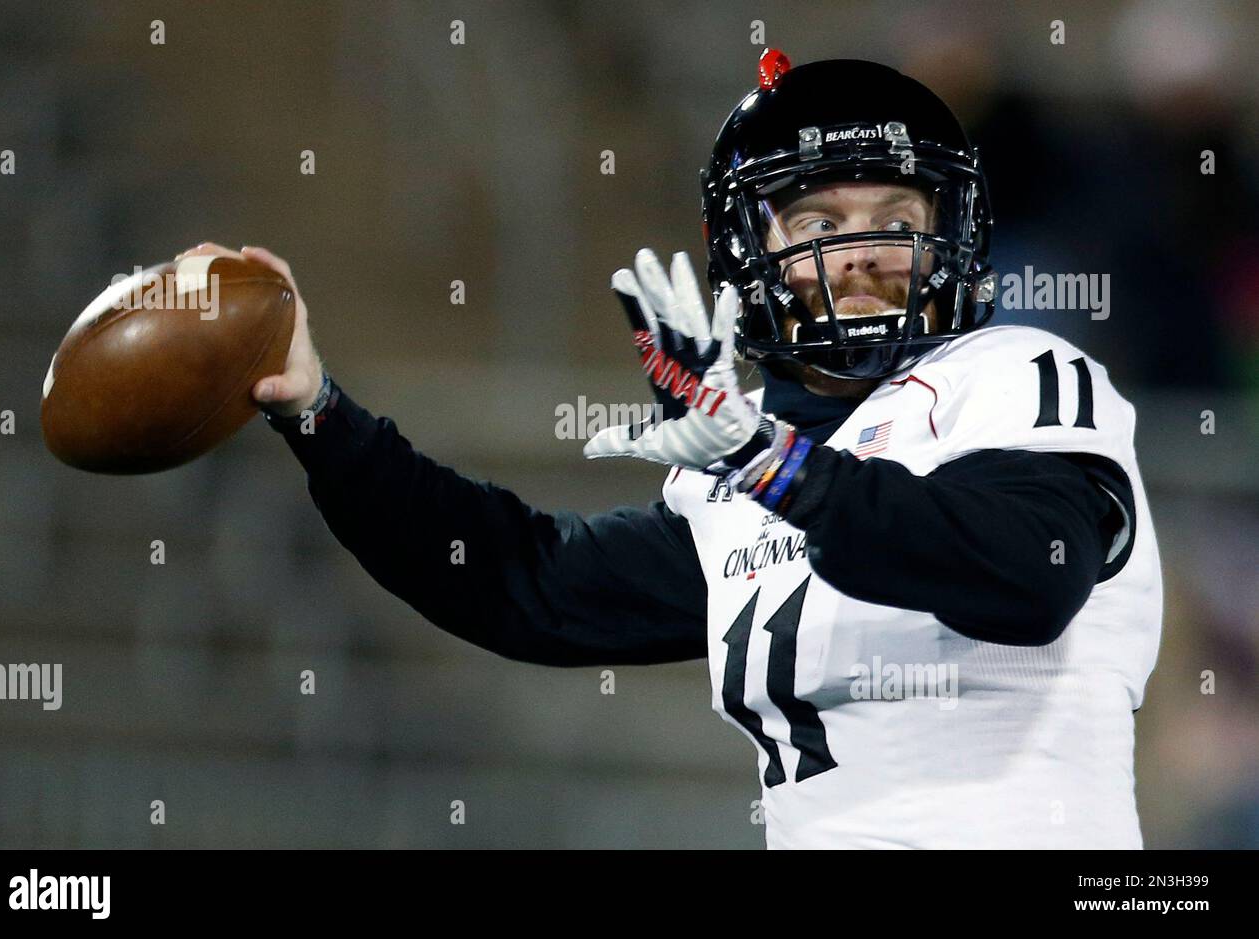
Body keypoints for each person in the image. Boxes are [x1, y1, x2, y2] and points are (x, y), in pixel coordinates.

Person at [180, 52, 1162, 849]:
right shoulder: (739, 474)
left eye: (896, 221)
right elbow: (520, 583)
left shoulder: (1015, 373)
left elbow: (1026, 574)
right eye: (818, 221)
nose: (859, 252)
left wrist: (763, 461)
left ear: (955, 235)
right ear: (744, 250)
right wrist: (316, 411)